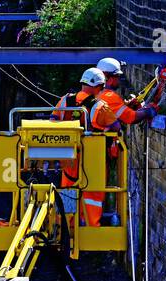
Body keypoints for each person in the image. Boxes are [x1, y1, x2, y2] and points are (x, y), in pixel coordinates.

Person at [51, 67, 118, 227]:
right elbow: (116, 127)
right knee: (92, 192)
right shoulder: (100, 106)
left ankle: (67, 224)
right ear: (98, 87)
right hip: (92, 157)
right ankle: (91, 224)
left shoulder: (65, 100)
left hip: (68, 155)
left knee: (68, 188)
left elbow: (52, 120)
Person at [95, 57, 156, 126]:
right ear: (109, 78)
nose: (119, 80)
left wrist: (127, 106)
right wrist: (149, 111)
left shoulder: (95, 92)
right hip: (108, 135)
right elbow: (132, 118)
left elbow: (114, 112)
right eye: (118, 76)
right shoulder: (110, 96)